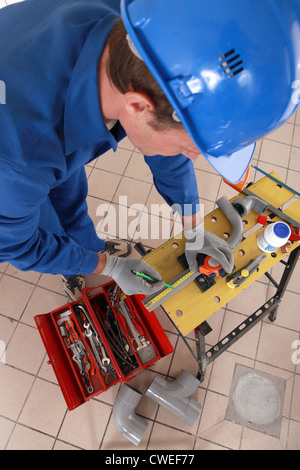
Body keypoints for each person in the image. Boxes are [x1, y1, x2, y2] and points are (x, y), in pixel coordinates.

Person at [0, 0, 299, 301]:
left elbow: (168, 146)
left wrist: (193, 228)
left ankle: (86, 246)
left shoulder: (146, 27)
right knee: (43, 224)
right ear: (137, 106)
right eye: (188, 146)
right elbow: (19, 244)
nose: (192, 156)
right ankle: (78, 266)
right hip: (14, 149)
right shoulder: (18, 162)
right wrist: (110, 265)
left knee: (69, 195)